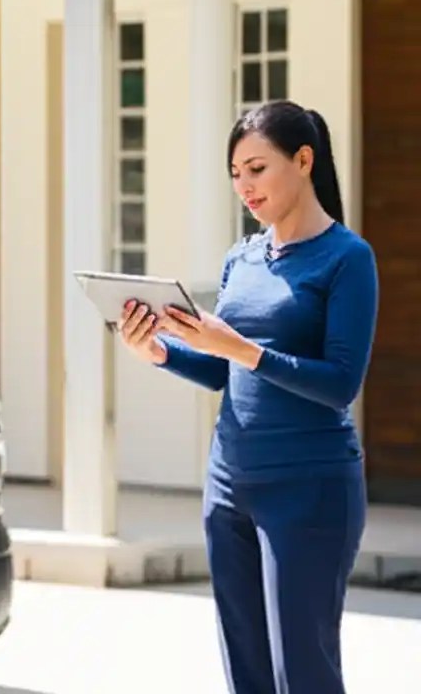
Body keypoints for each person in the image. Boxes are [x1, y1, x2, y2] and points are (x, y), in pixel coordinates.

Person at [118, 99, 377, 694]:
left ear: (304, 160)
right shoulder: (242, 256)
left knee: (303, 675)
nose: (245, 187)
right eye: (236, 175)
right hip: (230, 486)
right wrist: (159, 352)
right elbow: (224, 373)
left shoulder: (347, 259)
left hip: (309, 491)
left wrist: (240, 348)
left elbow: (340, 384)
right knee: (247, 675)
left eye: (257, 169)